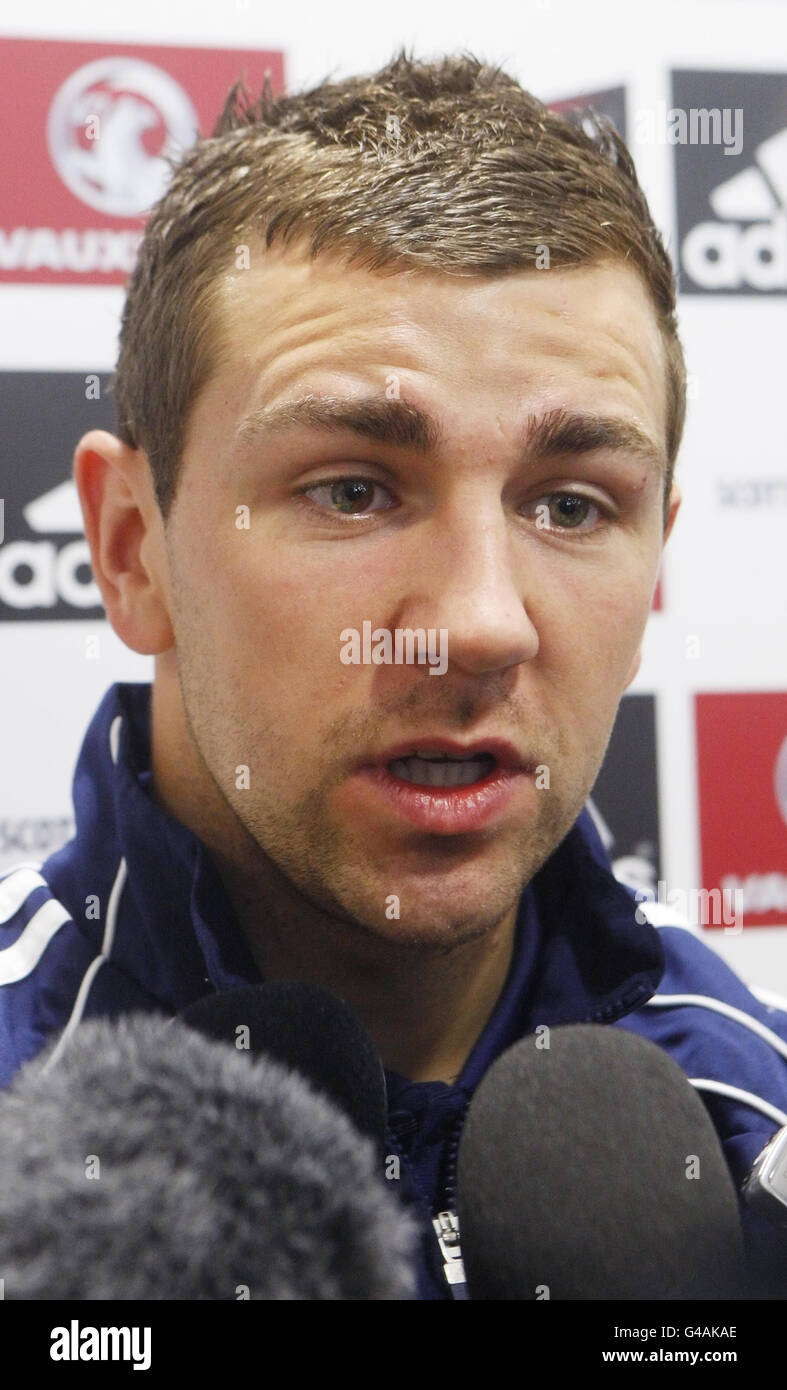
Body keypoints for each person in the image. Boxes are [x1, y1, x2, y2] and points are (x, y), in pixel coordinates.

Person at [2, 48, 786, 1300]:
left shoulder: (757, 1128)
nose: (479, 625)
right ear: (130, 549)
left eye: (572, 505)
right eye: (353, 489)